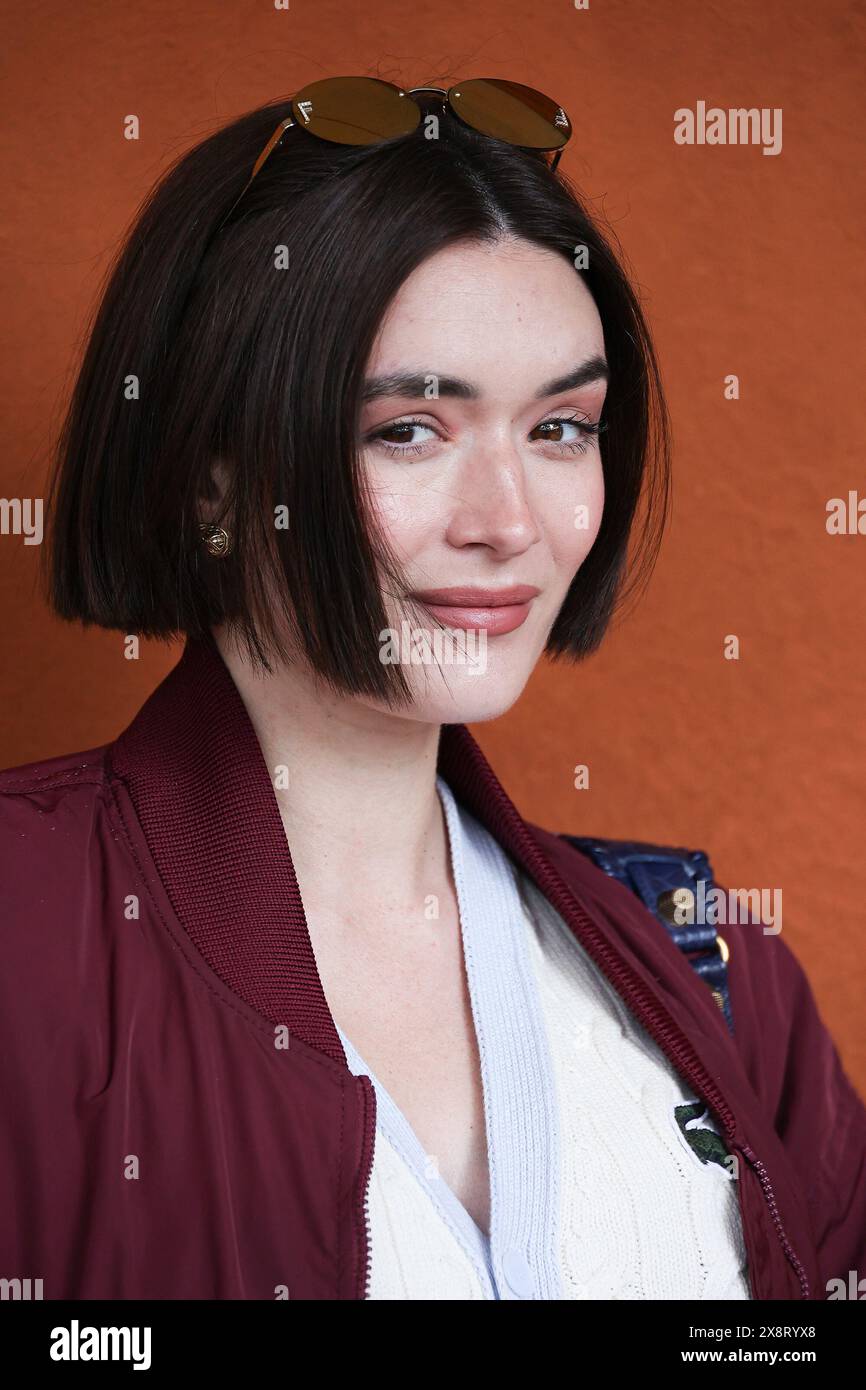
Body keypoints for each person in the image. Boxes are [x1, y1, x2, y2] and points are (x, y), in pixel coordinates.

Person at [1, 77, 863, 1302]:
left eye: (560, 428)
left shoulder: (720, 976)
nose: (511, 524)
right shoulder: (21, 943)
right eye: (408, 428)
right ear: (210, 479)